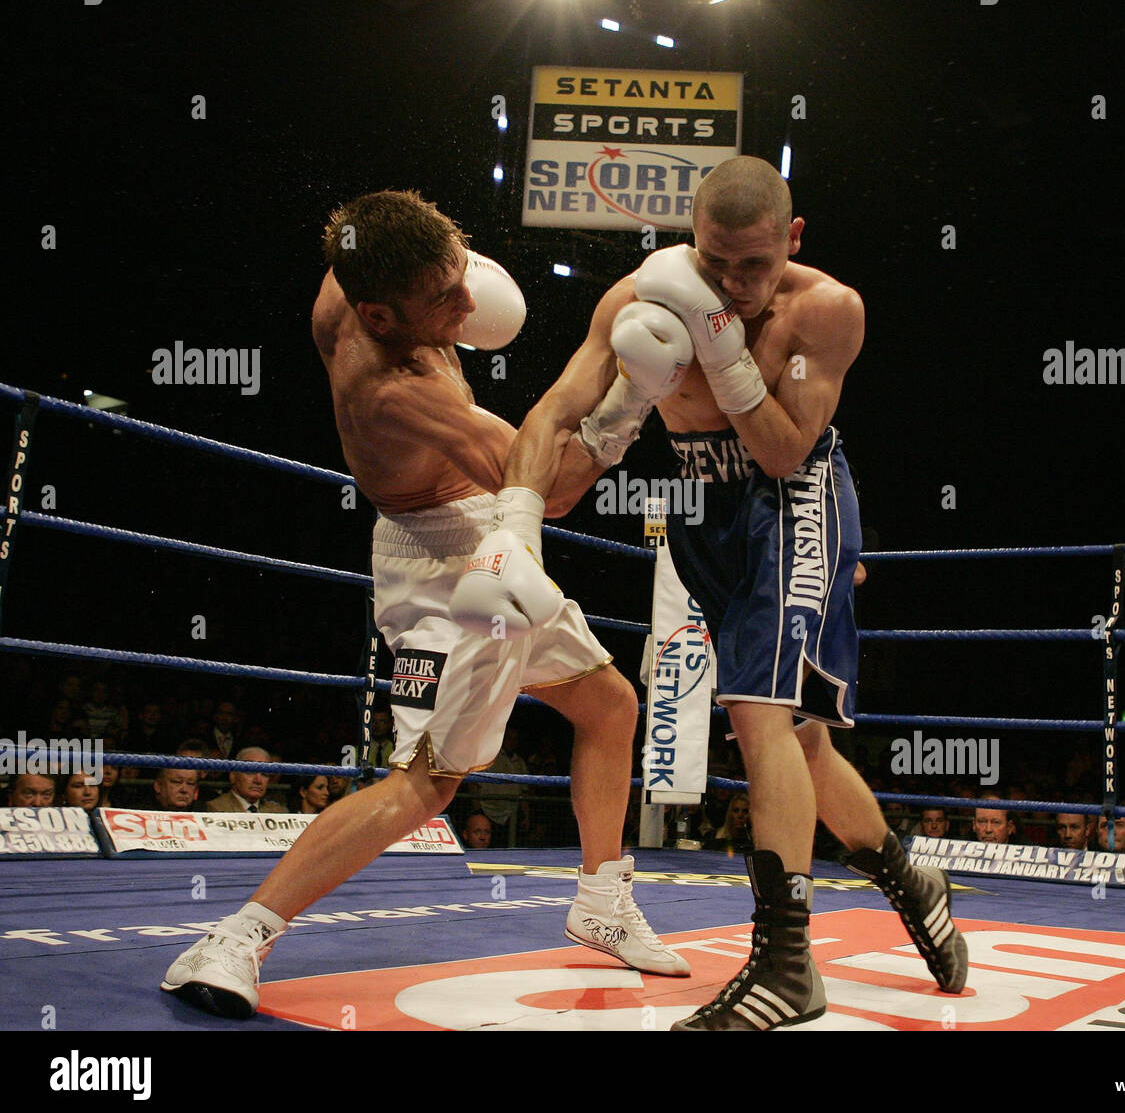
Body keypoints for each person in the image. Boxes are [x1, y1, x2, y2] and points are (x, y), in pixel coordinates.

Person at [453, 156, 967, 1030]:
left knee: (759, 710)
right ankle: (903, 872)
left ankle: (786, 965)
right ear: (692, 236)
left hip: (792, 497)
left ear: (792, 239)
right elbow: (551, 417)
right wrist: (521, 522)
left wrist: (723, 354)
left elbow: (780, 451)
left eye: (755, 266)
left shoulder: (826, 310)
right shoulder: (637, 298)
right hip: (697, 504)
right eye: (717, 262)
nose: (734, 282)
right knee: (796, 739)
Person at [162, 190, 686, 1021]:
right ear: (376, 313)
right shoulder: (397, 392)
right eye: (446, 298)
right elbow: (545, 492)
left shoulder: (358, 267)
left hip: (478, 525)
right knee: (429, 781)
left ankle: (601, 900)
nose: (469, 303)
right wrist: (627, 400)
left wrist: (446, 268)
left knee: (610, 703)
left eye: (460, 272)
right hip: (442, 562)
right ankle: (236, 936)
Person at [204, 748, 288, 814]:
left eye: (264, 773)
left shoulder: (279, 812)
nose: (258, 780)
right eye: (250, 772)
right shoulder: (215, 809)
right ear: (233, 775)